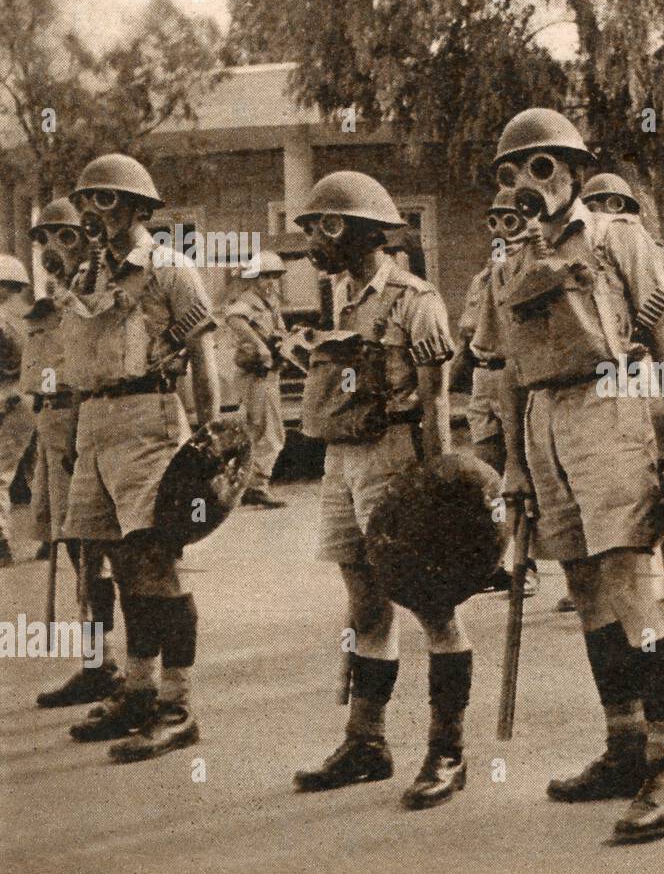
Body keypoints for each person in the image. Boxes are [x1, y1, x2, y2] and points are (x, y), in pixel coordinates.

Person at [473, 108, 664, 843]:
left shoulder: (618, 239)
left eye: (544, 167)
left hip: (615, 405)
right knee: (583, 586)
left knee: (629, 582)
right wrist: (512, 459)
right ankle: (624, 743)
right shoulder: (504, 262)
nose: (529, 184)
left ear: (573, 171)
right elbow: (505, 369)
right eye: (514, 171)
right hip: (544, 419)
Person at [289, 171, 470, 810]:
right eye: (310, 225)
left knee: (431, 602)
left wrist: (440, 490)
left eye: (325, 225)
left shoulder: (415, 300)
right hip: (344, 459)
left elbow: (436, 402)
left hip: (396, 455)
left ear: (366, 233)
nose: (313, 237)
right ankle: (366, 743)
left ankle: (447, 751)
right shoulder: (343, 297)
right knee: (365, 603)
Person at [60, 153, 221, 762]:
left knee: (157, 563)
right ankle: (138, 689)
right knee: (119, 563)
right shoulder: (84, 276)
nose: (91, 213)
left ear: (137, 208)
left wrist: (207, 429)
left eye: (105, 200)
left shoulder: (169, 268)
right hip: (94, 423)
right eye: (86, 201)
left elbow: (204, 350)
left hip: (149, 420)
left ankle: (178, 706)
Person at [581, 172, 664, 608]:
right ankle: (602, 574)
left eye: (605, 205)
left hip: (645, 372)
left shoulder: (643, 248)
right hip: (602, 380)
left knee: (663, 476)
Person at [25, 198, 123, 707]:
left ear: (86, 237)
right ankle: (97, 661)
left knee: (102, 554)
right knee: (71, 549)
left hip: (87, 428)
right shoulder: (48, 307)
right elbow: (39, 377)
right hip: (52, 431)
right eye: (43, 239)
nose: (50, 249)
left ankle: (118, 667)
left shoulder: (97, 292)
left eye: (63, 236)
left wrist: (77, 434)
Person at [454, 191, 537, 597]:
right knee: (486, 475)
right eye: (496, 220)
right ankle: (493, 563)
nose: (502, 229)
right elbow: (467, 335)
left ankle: (528, 562)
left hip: (515, 378)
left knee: (523, 471)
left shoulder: (527, 266)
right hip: (483, 380)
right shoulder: (482, 277)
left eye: (511, 219)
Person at [224, 250, 289, 509]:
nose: (270, 281)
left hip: (267, 373)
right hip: (255, 374)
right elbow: (233, 318)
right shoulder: (250, 300)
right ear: (253, 278)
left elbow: (277, 330)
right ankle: (257, 486)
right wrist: (259, 345)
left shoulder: (269, 302)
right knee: (271, 432)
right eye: (264, 276)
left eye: (274, 276)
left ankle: (243, 485)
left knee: (254, 429)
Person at [0, 253, 35, 569]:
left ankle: (1, 543)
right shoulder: (31, 316)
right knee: (40, 472)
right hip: (38, 399)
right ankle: (55, 538)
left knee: (0, 473)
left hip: (8, 401)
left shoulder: (2, 319)